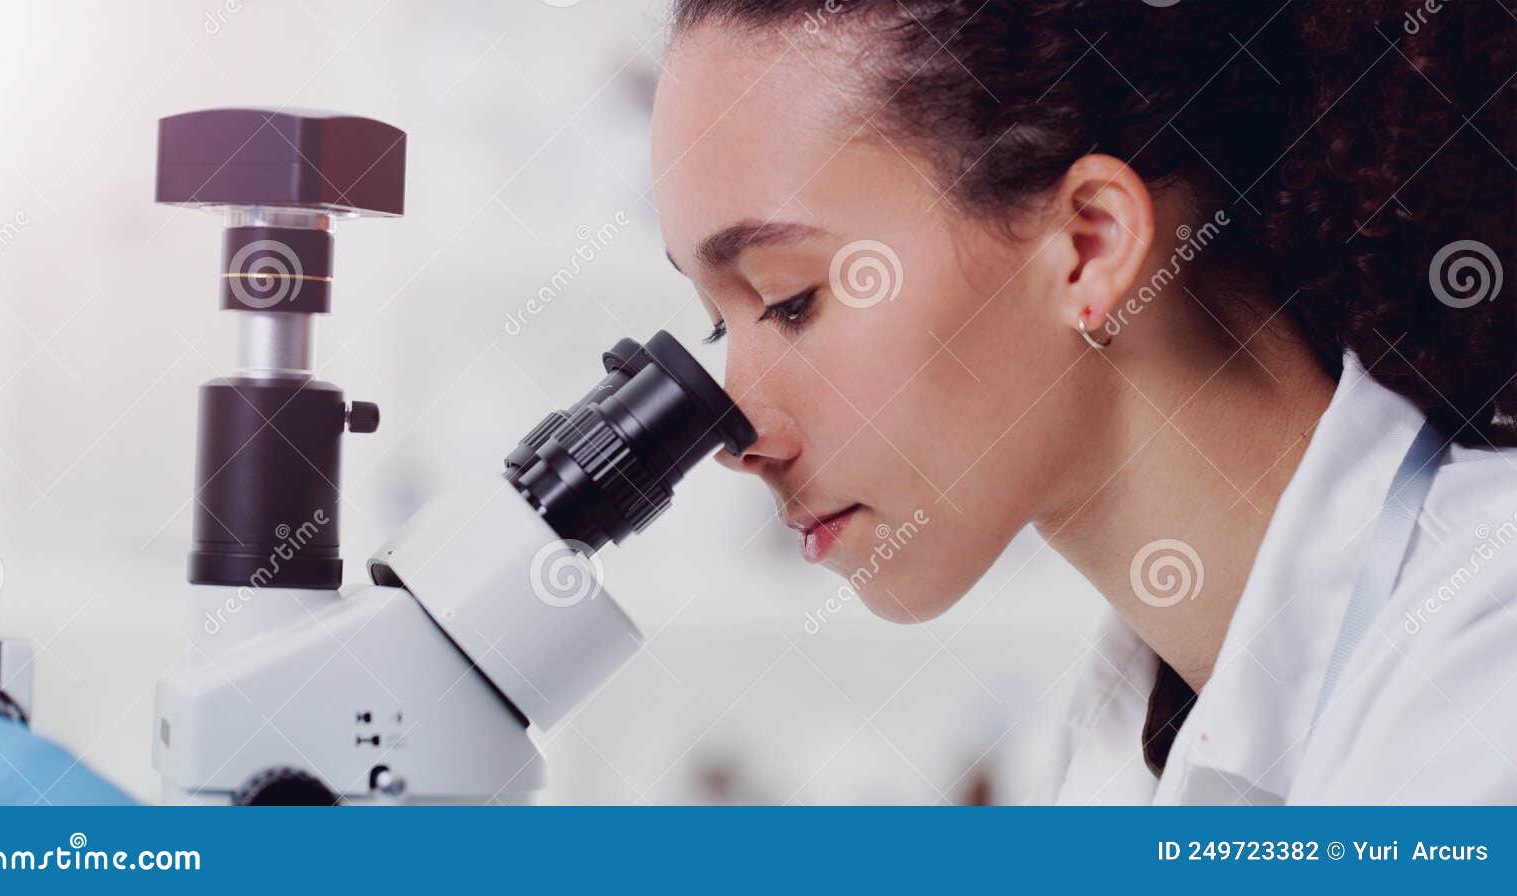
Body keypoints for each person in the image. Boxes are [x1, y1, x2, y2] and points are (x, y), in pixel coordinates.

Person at [650, 0, 1516, 803]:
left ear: (1090, 246)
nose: (739, 432)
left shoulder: (1483, 664)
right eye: (720, 328)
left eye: (790, 299)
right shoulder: (1120, 748)